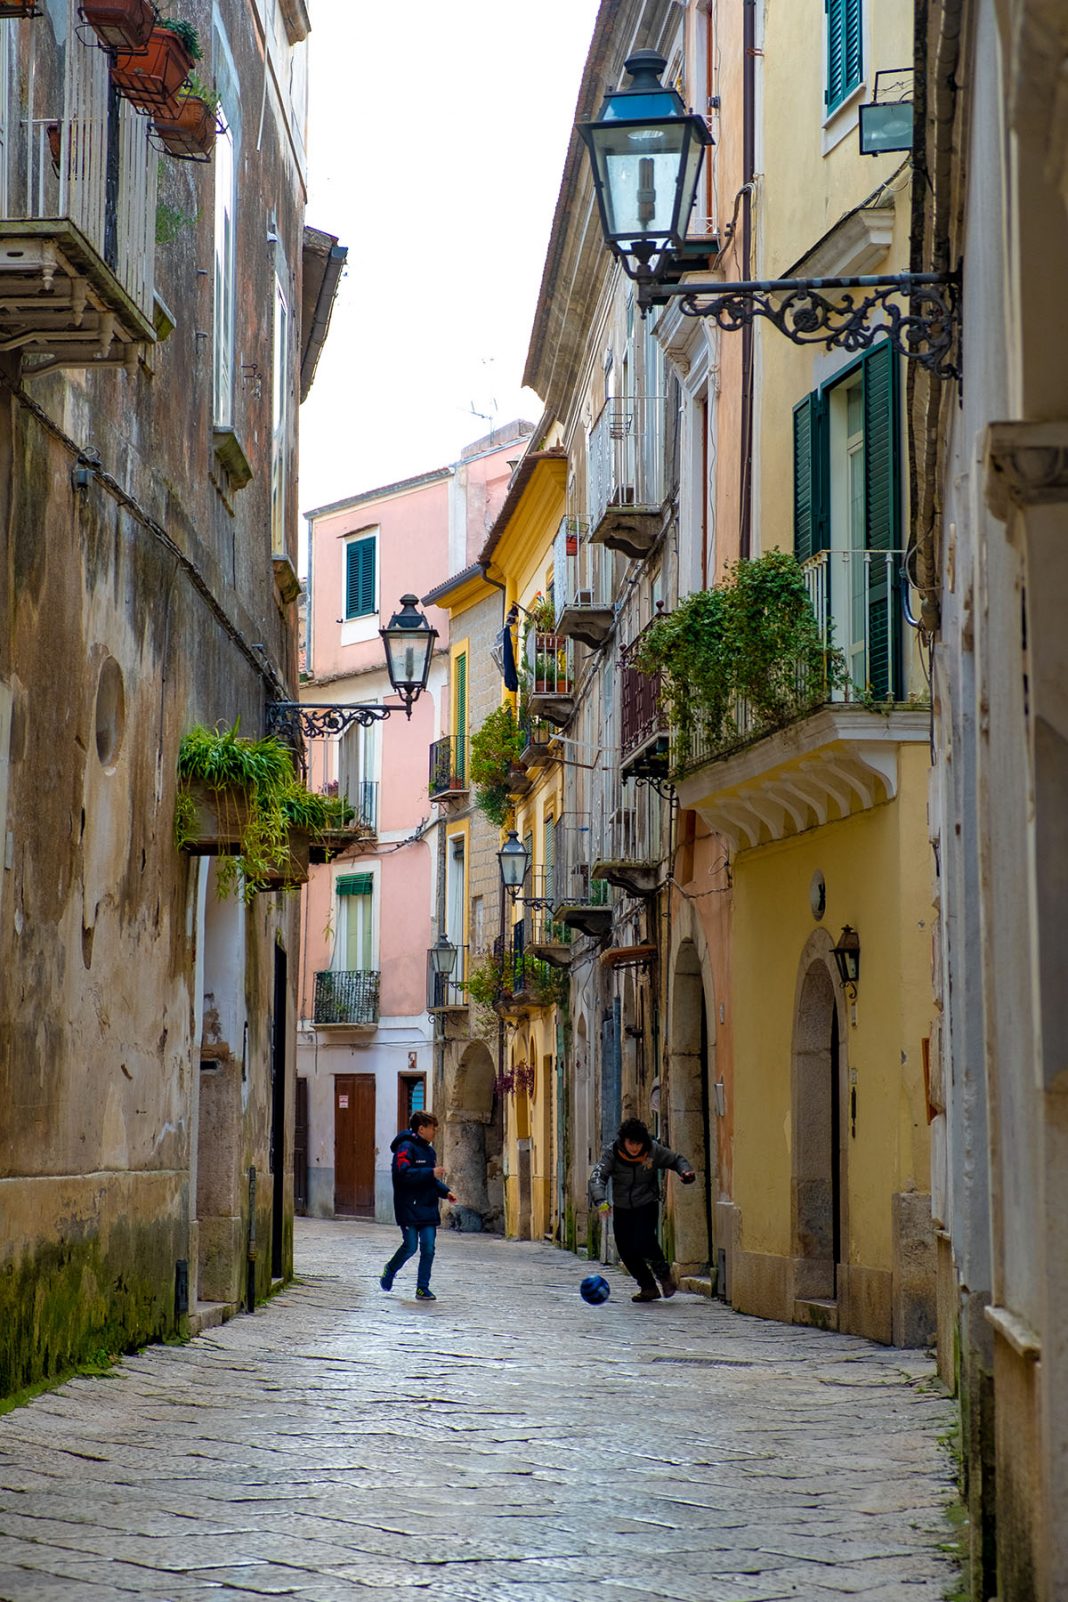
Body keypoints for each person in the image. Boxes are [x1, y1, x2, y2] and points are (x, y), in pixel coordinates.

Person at [590, 1117, 697, 1302]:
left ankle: (664, 1275)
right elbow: (598, 1177)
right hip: (623, 1207)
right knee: (625, 1250)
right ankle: (648, 1286)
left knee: (643, 1239)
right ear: (623, 1141)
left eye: (638, 1143)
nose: (634, 1148)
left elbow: (676, 1159)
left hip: (646, 1203)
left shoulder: (652, 1151)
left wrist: (685, 1172)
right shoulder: (612, 1153)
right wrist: (601, 1201)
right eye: (631, 1143)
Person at [380, 1111, 456, 1301]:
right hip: (408, 1206)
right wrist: (430, 1172)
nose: (435, 1131)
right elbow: (403, 1173)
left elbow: (429, 1180)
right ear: (421, 1129)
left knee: (428, 1248)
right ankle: (390, 1269)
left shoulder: (429, 1151)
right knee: (411, 1246)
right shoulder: (405, 1148)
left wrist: (445, 1192)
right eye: (433, 1128)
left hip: (428, 1206)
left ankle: (422, 1288)